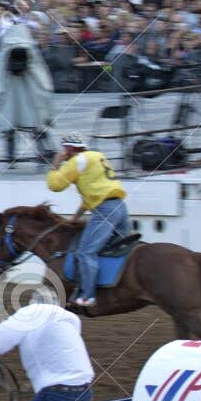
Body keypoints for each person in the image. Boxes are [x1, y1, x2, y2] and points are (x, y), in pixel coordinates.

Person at [45, 132, 131, 308]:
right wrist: (76, 217)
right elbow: (91, 194)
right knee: (123, 247)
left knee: (86, 252)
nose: (63, 152)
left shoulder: (75, 162)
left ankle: (87, 296)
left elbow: (55, 185)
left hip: (104, 211)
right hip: (120, 207)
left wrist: (56, 164)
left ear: (69, 149)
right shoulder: (97, 156)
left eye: (64, 149)